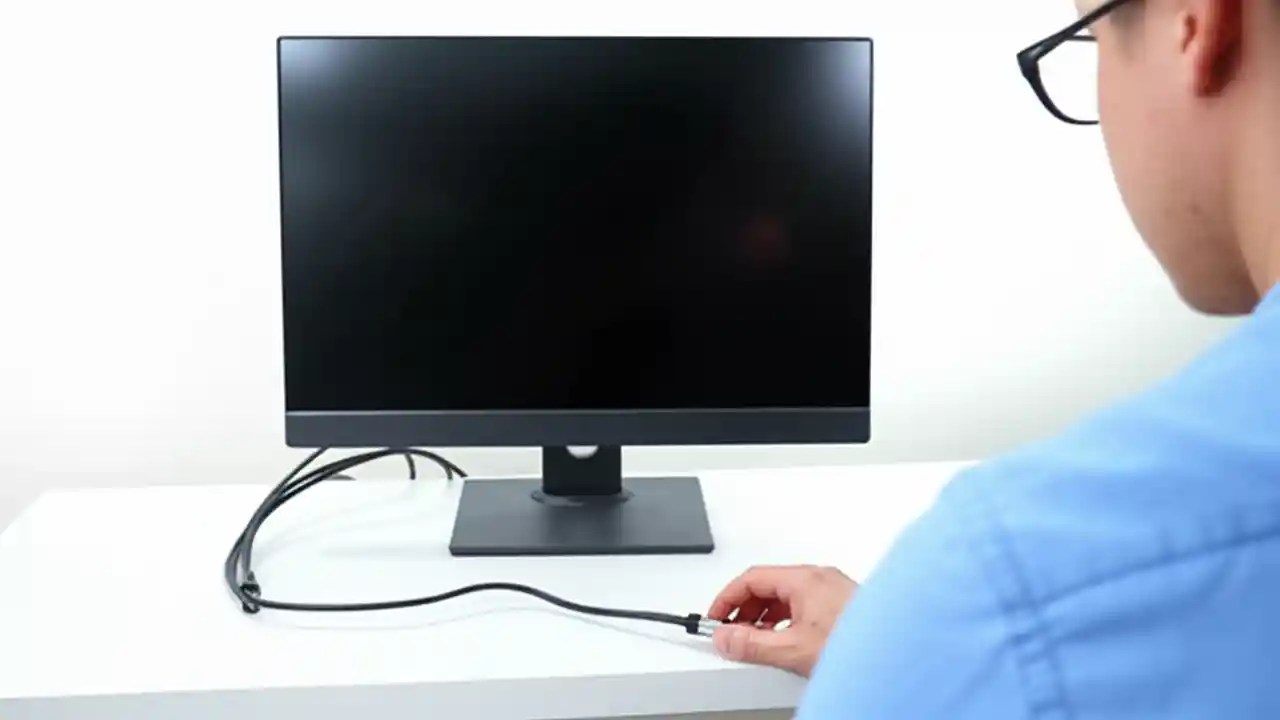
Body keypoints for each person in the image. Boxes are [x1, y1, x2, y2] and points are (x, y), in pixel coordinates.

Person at [707, 0, 1280, 716]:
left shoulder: (1009, 587)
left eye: (1090, 37)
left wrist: (935, 654)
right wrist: (909, 649)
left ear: (1195, 22)